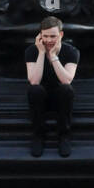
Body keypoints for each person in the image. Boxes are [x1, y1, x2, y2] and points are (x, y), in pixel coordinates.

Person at [24, 15, 79, 156]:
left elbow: (67, 80)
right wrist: (42, 53)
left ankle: (64, 136)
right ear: (40, 35)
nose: (48, 40)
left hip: (61, 99)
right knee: (35, 90)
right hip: (40, 99)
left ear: (61, 35)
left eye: (53, 36)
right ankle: (38, 135)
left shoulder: (71, 52)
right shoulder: (32, 51)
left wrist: (54, 56)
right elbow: (34, 80)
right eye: (45, 36)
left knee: (67, 89)